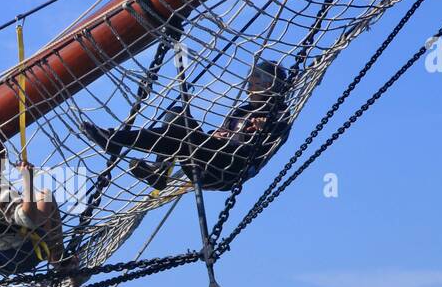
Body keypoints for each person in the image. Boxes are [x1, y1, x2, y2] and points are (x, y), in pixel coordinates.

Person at [80, 57, 291, 192]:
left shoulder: (279, 113)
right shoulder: (241, 111)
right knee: (177, 113)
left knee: (184, 134)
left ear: (270, 84)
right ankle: (160, 169)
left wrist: (266, 129)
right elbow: (221, 132)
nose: (249, 83)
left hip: (230, 169)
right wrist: (217, 134)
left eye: (256, 79)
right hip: (208, 159)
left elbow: (276, 137)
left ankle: (116, 140)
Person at [0, 139, 79, 281]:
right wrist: (28, 180)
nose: (3, 169)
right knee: (45, 196)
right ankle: (60, 260)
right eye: (1, 163)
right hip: (21, 255)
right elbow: (29, 218)